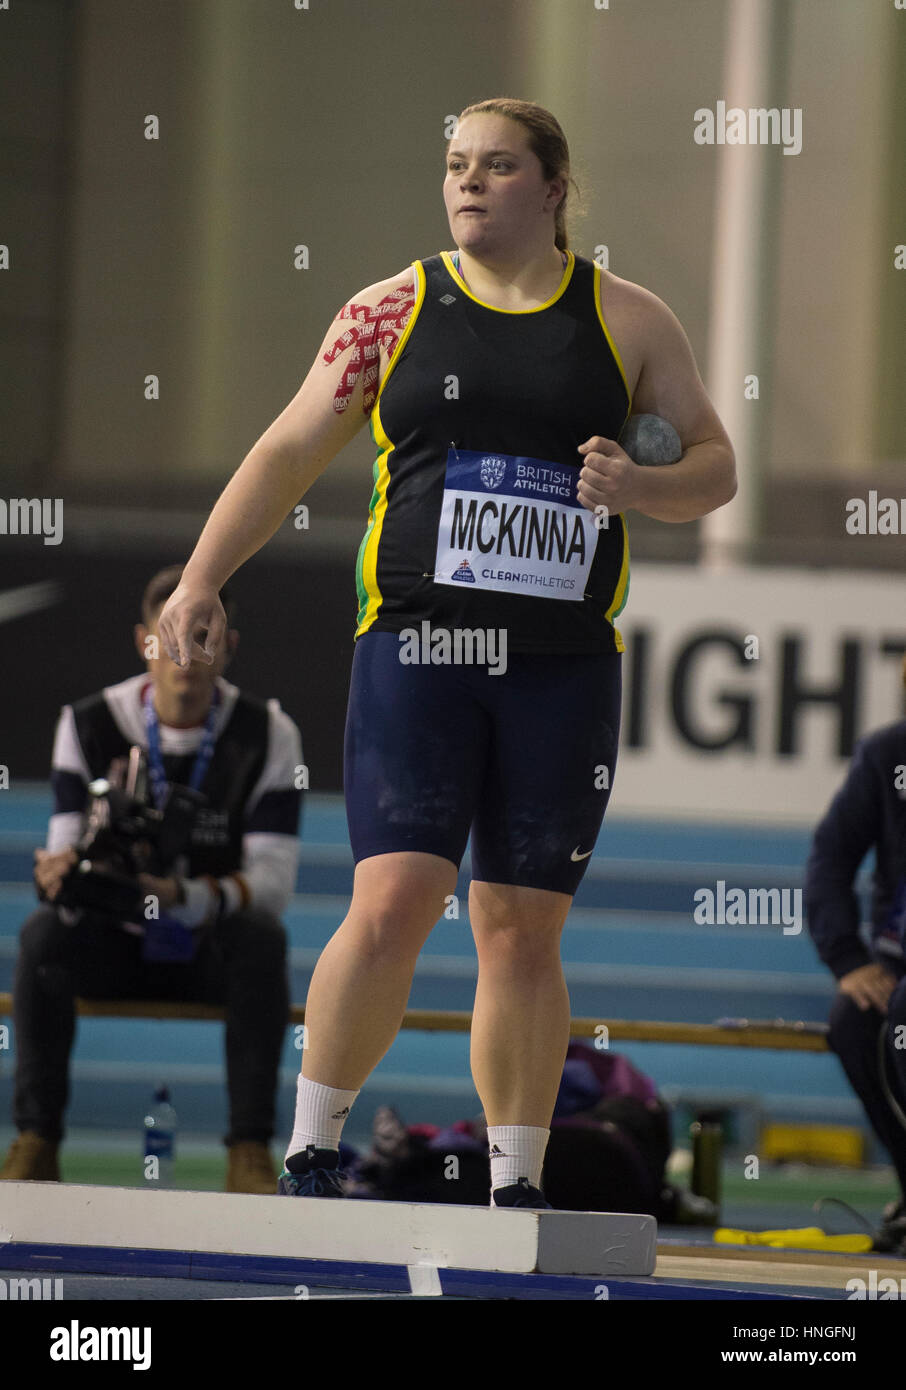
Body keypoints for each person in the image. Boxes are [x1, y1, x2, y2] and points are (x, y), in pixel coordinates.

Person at [157, 97, 736, 1209]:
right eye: (456, 164)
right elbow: (285, 450)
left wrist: (643, 487)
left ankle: (518, 1184)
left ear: (555, 188)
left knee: (520, 930)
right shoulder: (390, 310)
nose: (468, 182)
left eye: (499, 165)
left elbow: (715, 466)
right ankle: (313, 1149)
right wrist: (198, 577)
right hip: (420, 650)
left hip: (562, 665)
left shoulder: (628, 319)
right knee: (395, 901)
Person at [0, 564, 302, 1194]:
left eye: (204, 635)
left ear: (230, 646)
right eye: (170, 635)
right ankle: (36, 1140)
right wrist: (65, 873)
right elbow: (62, 853)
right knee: (41, 938)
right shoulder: (86, 723)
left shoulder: (270, 733)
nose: (185, 653)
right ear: (145, 641)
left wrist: (179, 899)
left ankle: (248, 1150)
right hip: (115, 940)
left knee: (263, 940)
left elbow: (272, 886)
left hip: (205, 946)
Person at [804, 655, 906, 1253]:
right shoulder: (886, 754)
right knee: (851, 1021)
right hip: (894, 964)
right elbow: (829, 860)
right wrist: (849, 959)